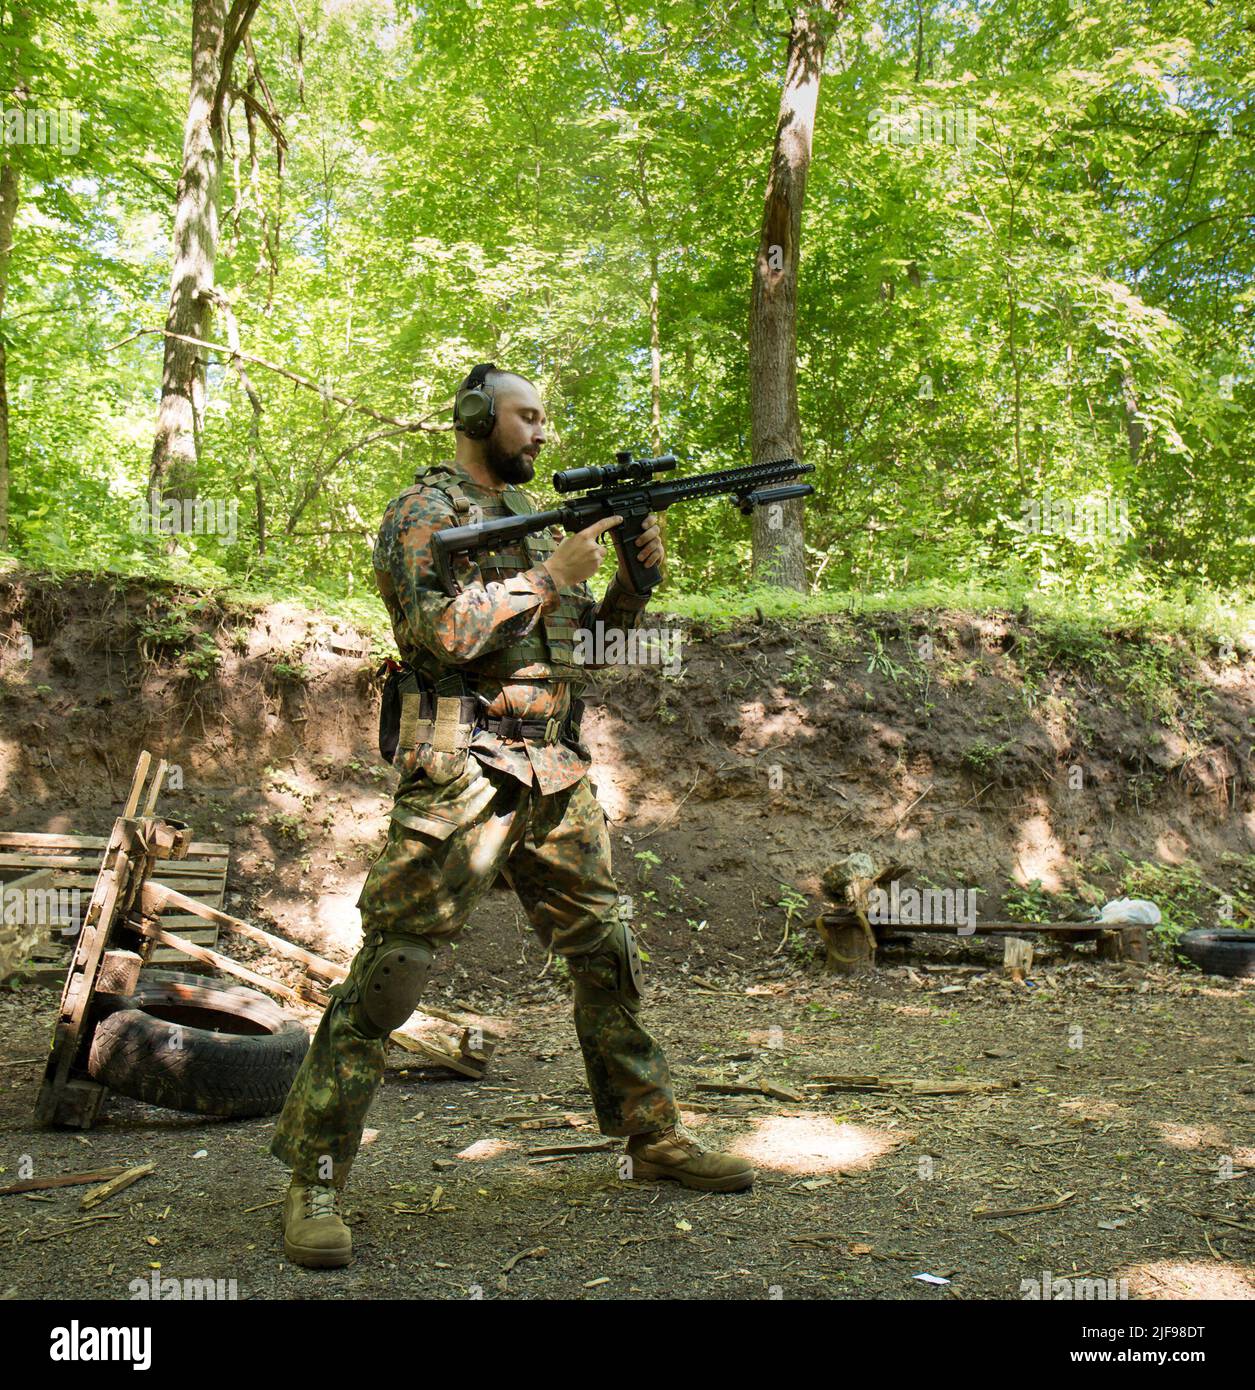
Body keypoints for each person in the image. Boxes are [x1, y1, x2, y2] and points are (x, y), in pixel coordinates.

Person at [272, 363, 755, 1268]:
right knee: (393, 973)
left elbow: (594, 651)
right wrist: (544, 575)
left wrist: (631, 582)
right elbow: (432, 635)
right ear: (473, 418)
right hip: (462, 767)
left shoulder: (551, 527)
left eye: (544, 419)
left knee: (603, 954)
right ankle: (316, 1179)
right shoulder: (425, 512)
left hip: (555, 771)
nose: (540, 433)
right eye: (525, 417)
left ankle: (651, 1137)